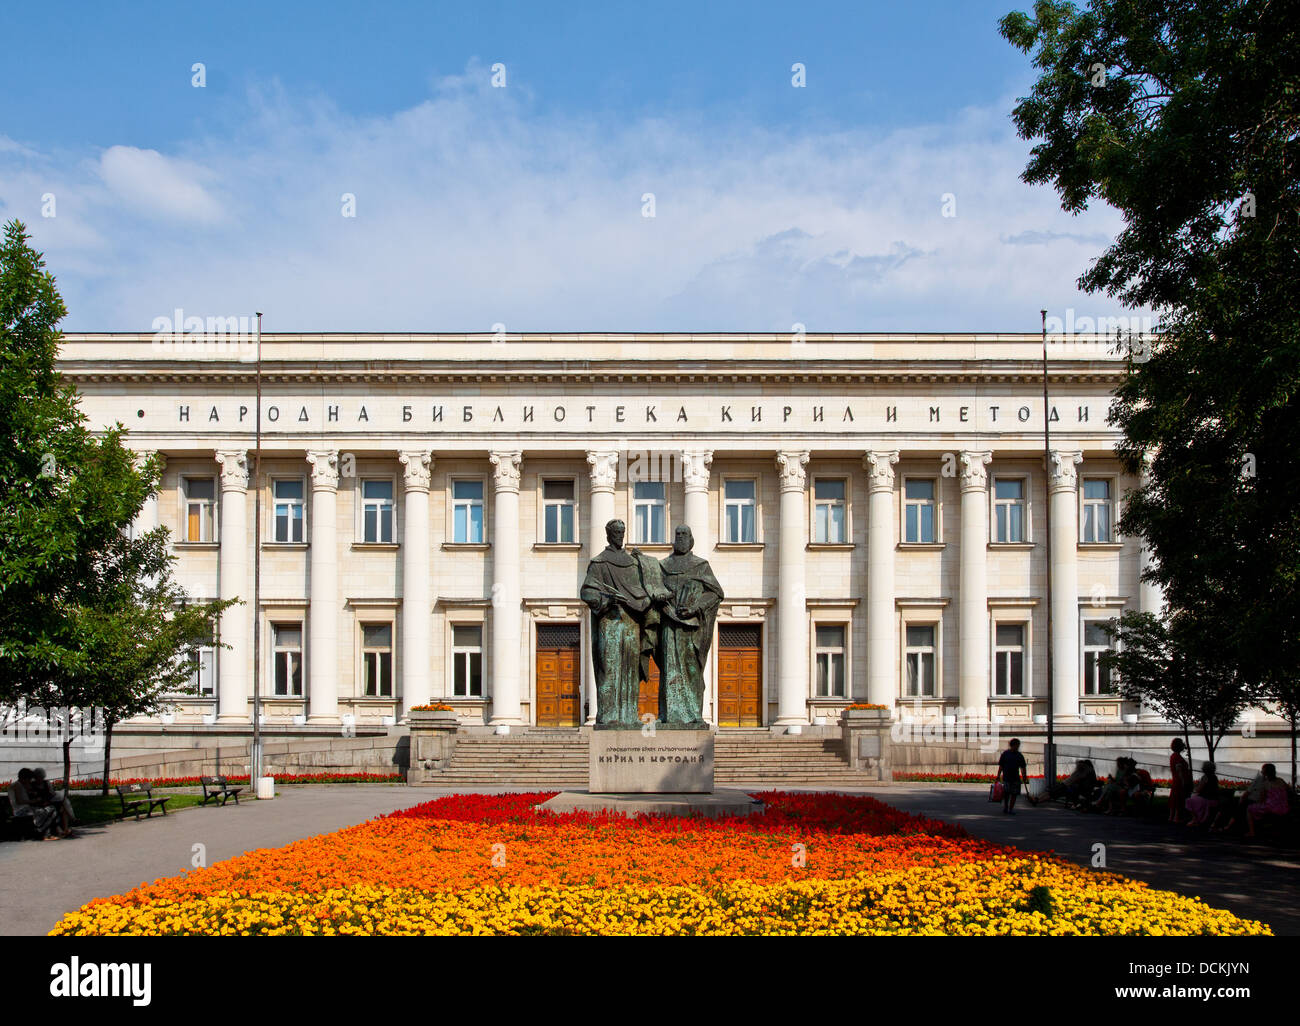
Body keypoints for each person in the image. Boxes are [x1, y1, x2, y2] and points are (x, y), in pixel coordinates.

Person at [6, 768, 62, 839]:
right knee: (50, 810)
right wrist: (35, 801)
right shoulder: (17, 786)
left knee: (50, 810)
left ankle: (46, 832)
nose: (30, 781)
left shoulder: (19, 785)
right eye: (29, 779)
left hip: (25, 809)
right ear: (25, 778)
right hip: (22, 811)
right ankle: (42, 831)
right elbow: (20, 801)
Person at [1245, 764, 1291, 838]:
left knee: (1249, 809)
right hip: (1284, 808)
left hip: (1272, 808)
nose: (1261, 771)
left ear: (1265, 772)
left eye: (1262, 770)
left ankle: (1252, 832)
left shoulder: (1266, 783)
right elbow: (1289, 791)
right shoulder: (1281, 780)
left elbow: (1261, 800)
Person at [996, 738, 1030, 814]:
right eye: (1016, 745)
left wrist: (1024, 776)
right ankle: (1006, 807)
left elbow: (1023, 767)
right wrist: (998, 775)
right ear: (1012, 745)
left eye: (1018, 746)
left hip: (1015, 778)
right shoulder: (1005, 754)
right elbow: (1001, 766)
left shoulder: (1019, 755)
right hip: (1007, 777)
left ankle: (1010, 809)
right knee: (1006, 793)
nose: (1017, 747)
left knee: (1014, 794)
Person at [1185, 761, 1221, 826]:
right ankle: (1199, 818)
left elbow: (1199, 789)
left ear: (1204, 769)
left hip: (1206, 799)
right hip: (1214, 799)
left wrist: (1195, 788)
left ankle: (1195, 819)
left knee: (1189, 801)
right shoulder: (1214, 777)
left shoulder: (1205, 777)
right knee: (1195, 798)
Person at [1168, 738, 1193, 824]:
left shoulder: (1173, 756)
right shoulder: (1177, 757)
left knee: (1174, 798)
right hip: (1180, 781)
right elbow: (1179, 770)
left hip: (1175, 780)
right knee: (1179, 799)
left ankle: (1171, 817)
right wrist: (1183, 781)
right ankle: (1176, 817)